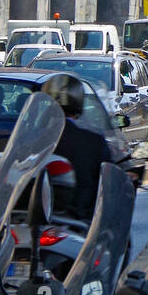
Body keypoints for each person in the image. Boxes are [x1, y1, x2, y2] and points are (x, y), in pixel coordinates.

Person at [42, 73, 110, 222]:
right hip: (79, 221)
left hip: (38, 220)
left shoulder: (34, 139)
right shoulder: (94, 141)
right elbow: (107, 184)